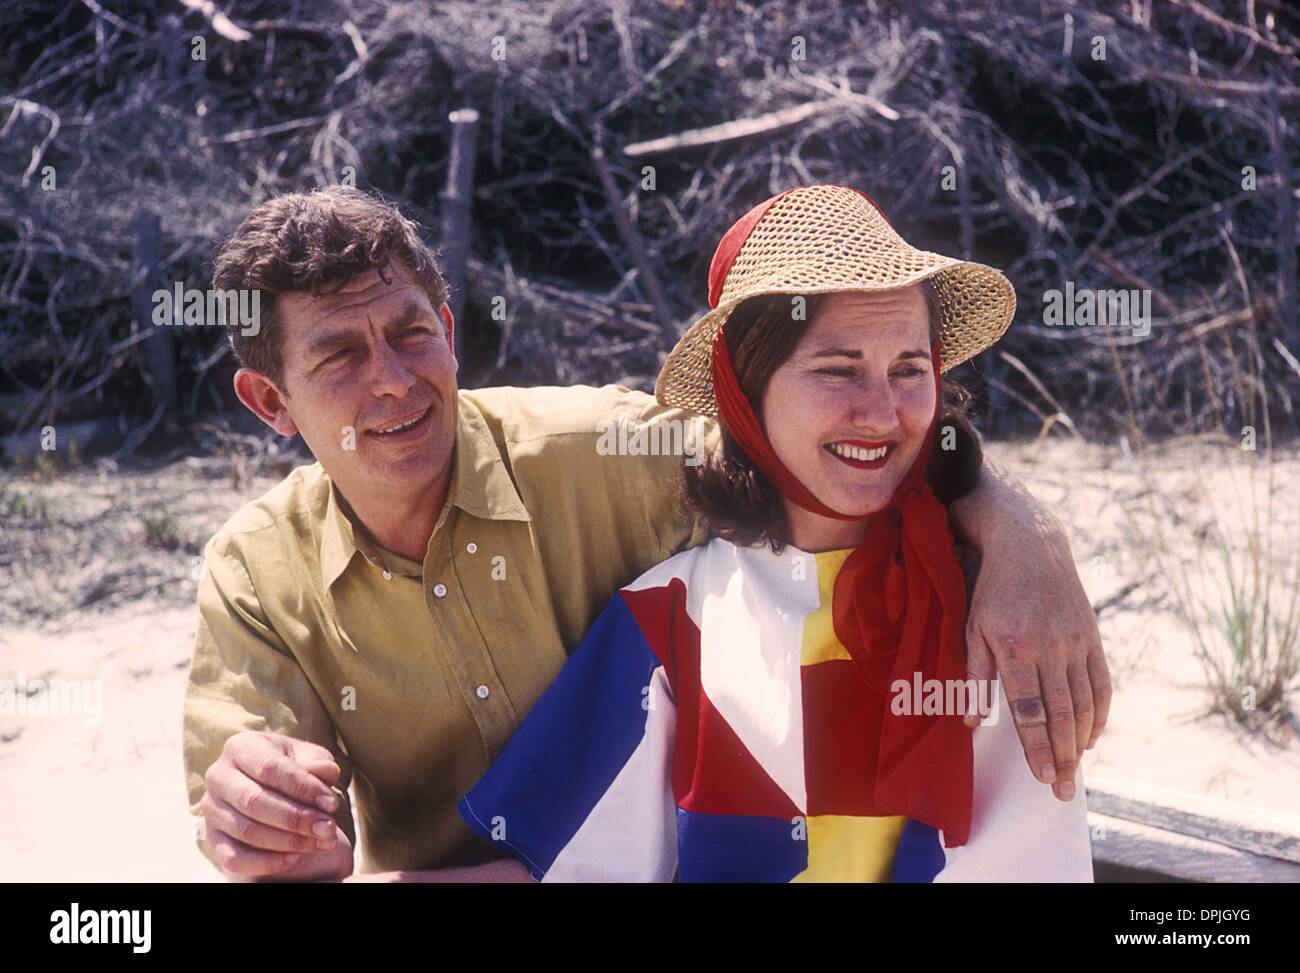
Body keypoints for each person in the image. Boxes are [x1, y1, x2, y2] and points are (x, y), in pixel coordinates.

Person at [183, 185, 1108, 882]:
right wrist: (256, 813)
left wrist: (1024, 534)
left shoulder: (616, 450)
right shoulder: (258, 572)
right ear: (269, 400)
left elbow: (823, 459)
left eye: (409, 332)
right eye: (340, 355)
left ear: (451, 329)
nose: (392, 380)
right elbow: (265, 825)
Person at [457, 185, 1094, 881]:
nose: (882, 413)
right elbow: (545, 867)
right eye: (838, 370)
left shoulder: (1005, 609)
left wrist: (1027, 535)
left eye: (910, 368)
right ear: (744, 391)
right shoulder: (669, 616)